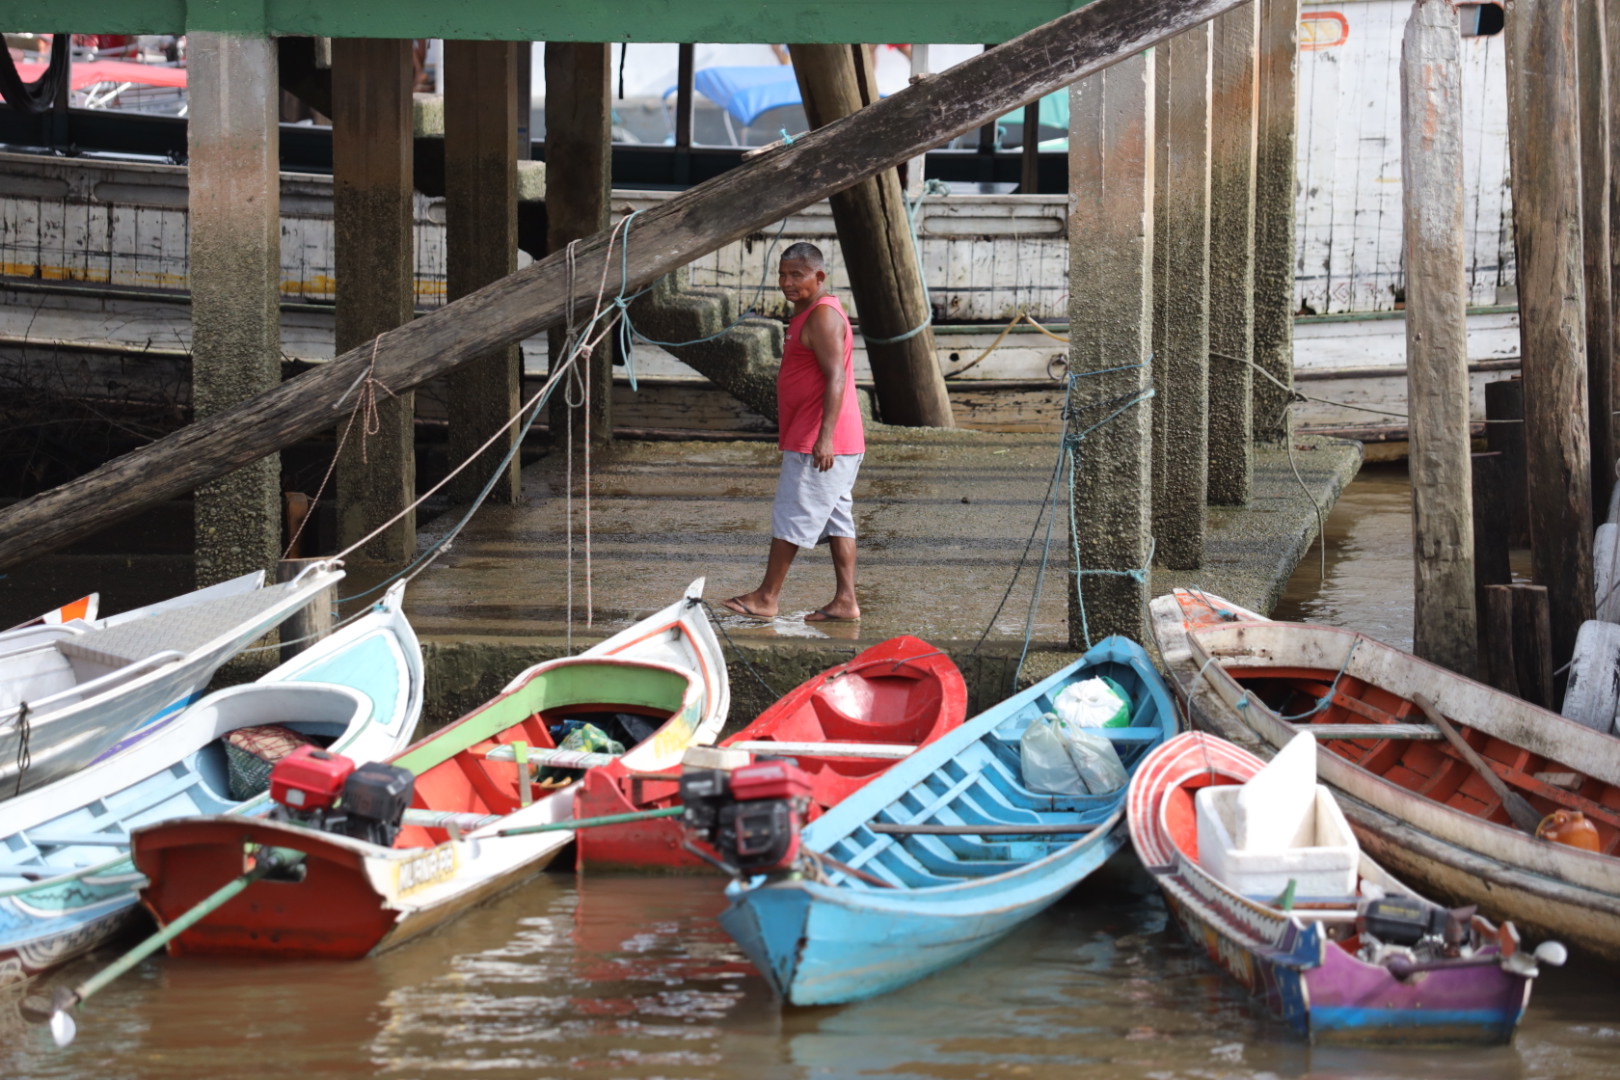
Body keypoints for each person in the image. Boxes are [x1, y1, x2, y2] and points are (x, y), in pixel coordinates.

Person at [723, 243, 864, 622]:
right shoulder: (809, 314)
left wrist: (824, 437)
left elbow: (837, 378)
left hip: (821, 440)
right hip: (824, 437)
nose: (786, 283)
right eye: (782, 275)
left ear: (819, 277)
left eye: (796, 275)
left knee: (792, 515)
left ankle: (766, 597)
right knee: (837, 520)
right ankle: (846, 601)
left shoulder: (822, 317)